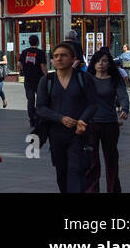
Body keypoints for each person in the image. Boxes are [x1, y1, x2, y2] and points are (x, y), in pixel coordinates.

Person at [35, 42, 93, 193]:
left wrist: (82, 120)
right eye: (55, 56)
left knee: (75, 170)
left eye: (63, 55)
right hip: (56, 134)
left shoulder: (83, 78)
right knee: (61, 172)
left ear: (73, 58)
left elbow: (93, 104)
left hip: (78, 133)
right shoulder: (47, 80)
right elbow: (40, 107)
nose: (59, 59)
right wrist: (60, 118)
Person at [82, 47, 129, 193]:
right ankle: (91, 190)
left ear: (109, 63)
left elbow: (123, 96)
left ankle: (113, 189)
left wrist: (125, 109)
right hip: (91, 124)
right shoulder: (87, 79)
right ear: (93, 63)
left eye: (104, 61)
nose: (101, 64)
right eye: (98, 61)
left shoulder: (115, 79)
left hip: (109, 123)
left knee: (111, 159)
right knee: (92, 162)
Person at [18, 35, 47, 129]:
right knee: (40, 99)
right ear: (37, 42)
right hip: (39, 79)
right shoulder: (40, 52)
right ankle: (39, 118)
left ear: (29, 42)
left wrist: (25, 69)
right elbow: (43, 65)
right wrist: (46, 76)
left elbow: (19, 63)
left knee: (30, 100)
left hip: (28, 79)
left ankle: (32, 119)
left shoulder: (24, 52)